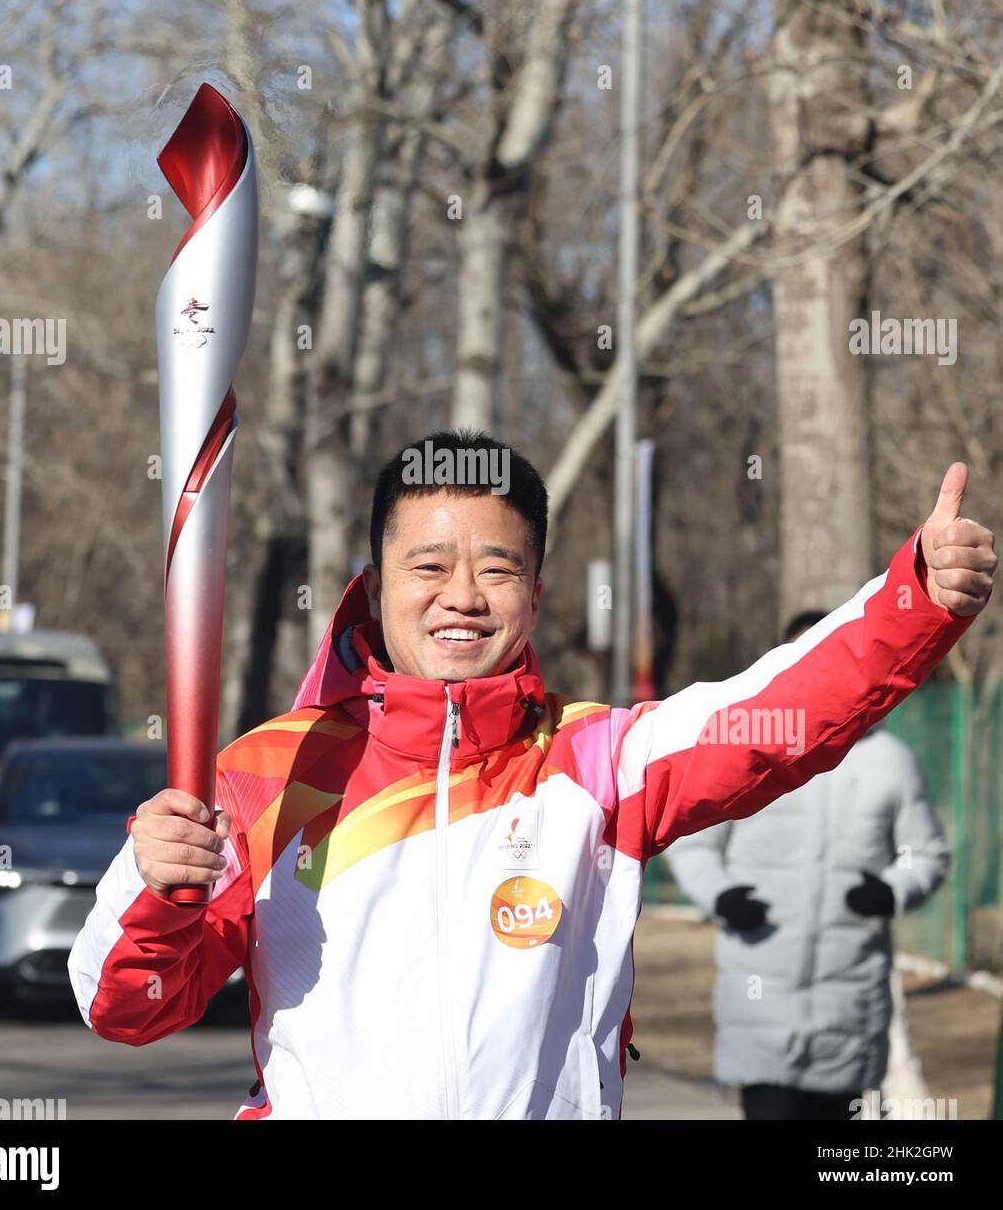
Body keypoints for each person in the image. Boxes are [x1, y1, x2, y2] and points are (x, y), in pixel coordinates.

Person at [68, 432, 995, 1120]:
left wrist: (912, 598)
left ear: (536, 592)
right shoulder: (272, 771)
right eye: (428, 564)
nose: (461, 596)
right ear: (376, 582)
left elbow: (774, 715)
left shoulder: (597, 761)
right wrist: (162, 894)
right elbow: (127, 1008)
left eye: (495, 568)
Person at [664, 610, 950, 1121]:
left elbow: (926, 855)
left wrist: (892, 889)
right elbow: (694, 846)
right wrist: (722, 897)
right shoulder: (744, 745)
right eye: (800, 656)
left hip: (852, 1011)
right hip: (760, 1008)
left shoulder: (889, 760)